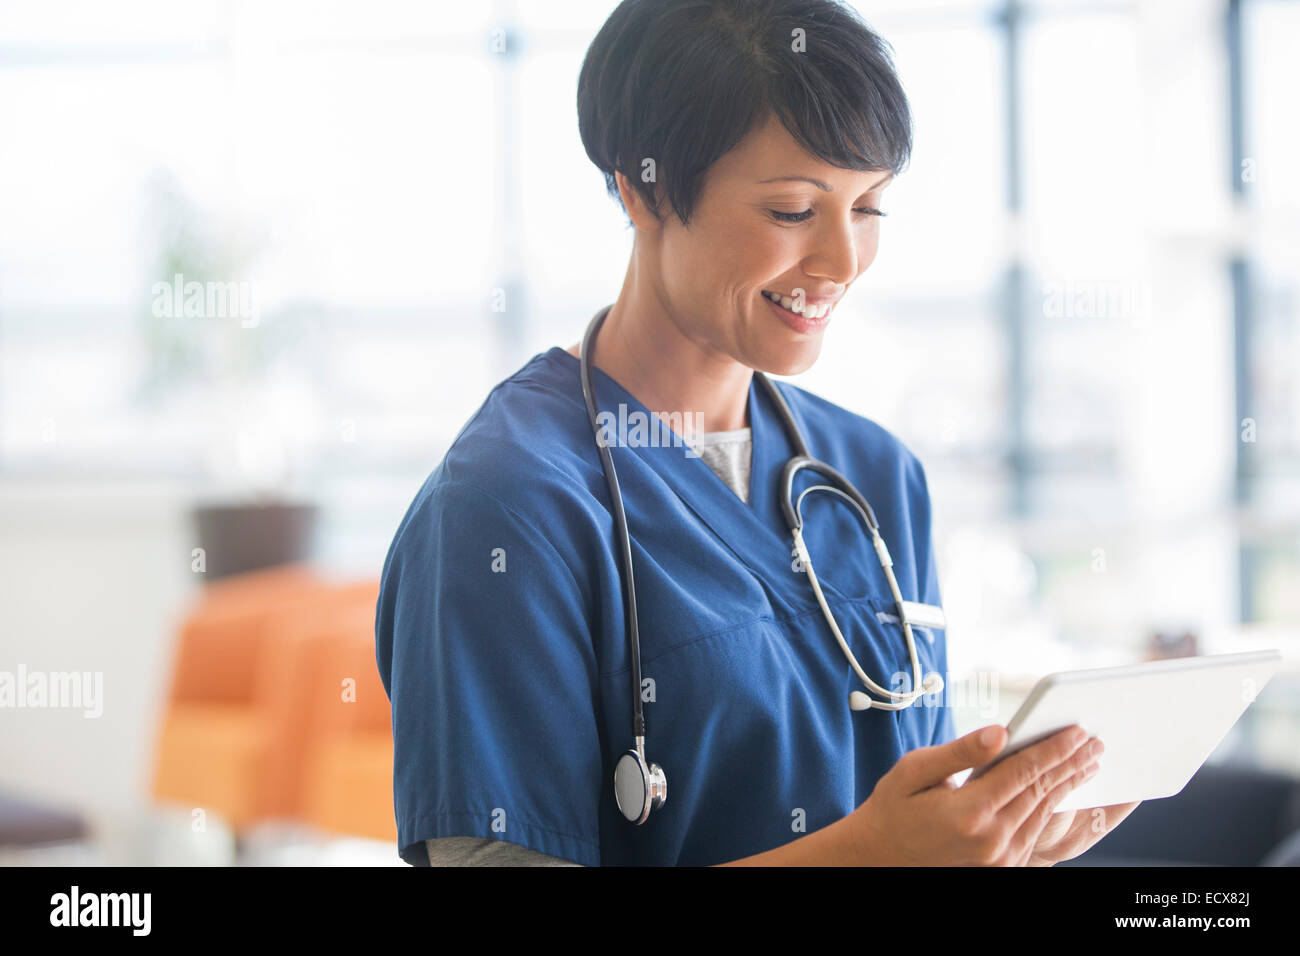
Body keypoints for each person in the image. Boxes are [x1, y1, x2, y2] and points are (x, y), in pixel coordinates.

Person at [375, 0, 1137, 866]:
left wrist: (989, 837)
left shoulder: (876, 475)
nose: (842, 262)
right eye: (791, 211)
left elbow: (904, 802)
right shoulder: (506, 510)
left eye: (869, 208)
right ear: (644, 185)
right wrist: (868, 858)